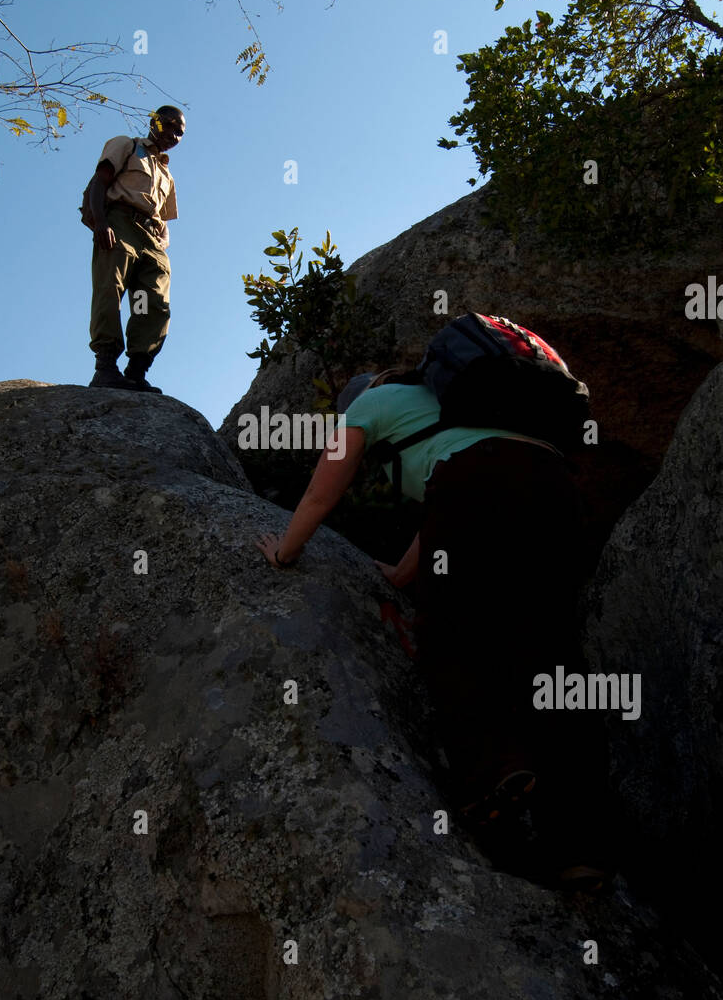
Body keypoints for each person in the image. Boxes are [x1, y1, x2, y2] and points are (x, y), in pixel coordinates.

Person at [255, 366, 612, 892]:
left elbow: (320, 495)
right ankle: (581, 849)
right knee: (552, 652)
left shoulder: (369, 407)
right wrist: (398, 574)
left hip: (477, 484)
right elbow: (442, 504)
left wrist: (284, 552)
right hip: (555, 488)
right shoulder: (456, 404)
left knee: (452, 639)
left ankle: (495, 778)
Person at [87, 106, 186, 392]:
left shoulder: (167, 175)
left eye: (180, 132)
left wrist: (161, 243)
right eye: (170, 126)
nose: (175, 135)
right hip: (120, 222)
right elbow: (99, 183)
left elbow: (165, 217)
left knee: (154, 300)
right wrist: (102, 223)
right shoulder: (127, 145)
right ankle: (105, 366)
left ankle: (136, 370)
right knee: (110, 288)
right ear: (155, 122)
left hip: (152, 238)